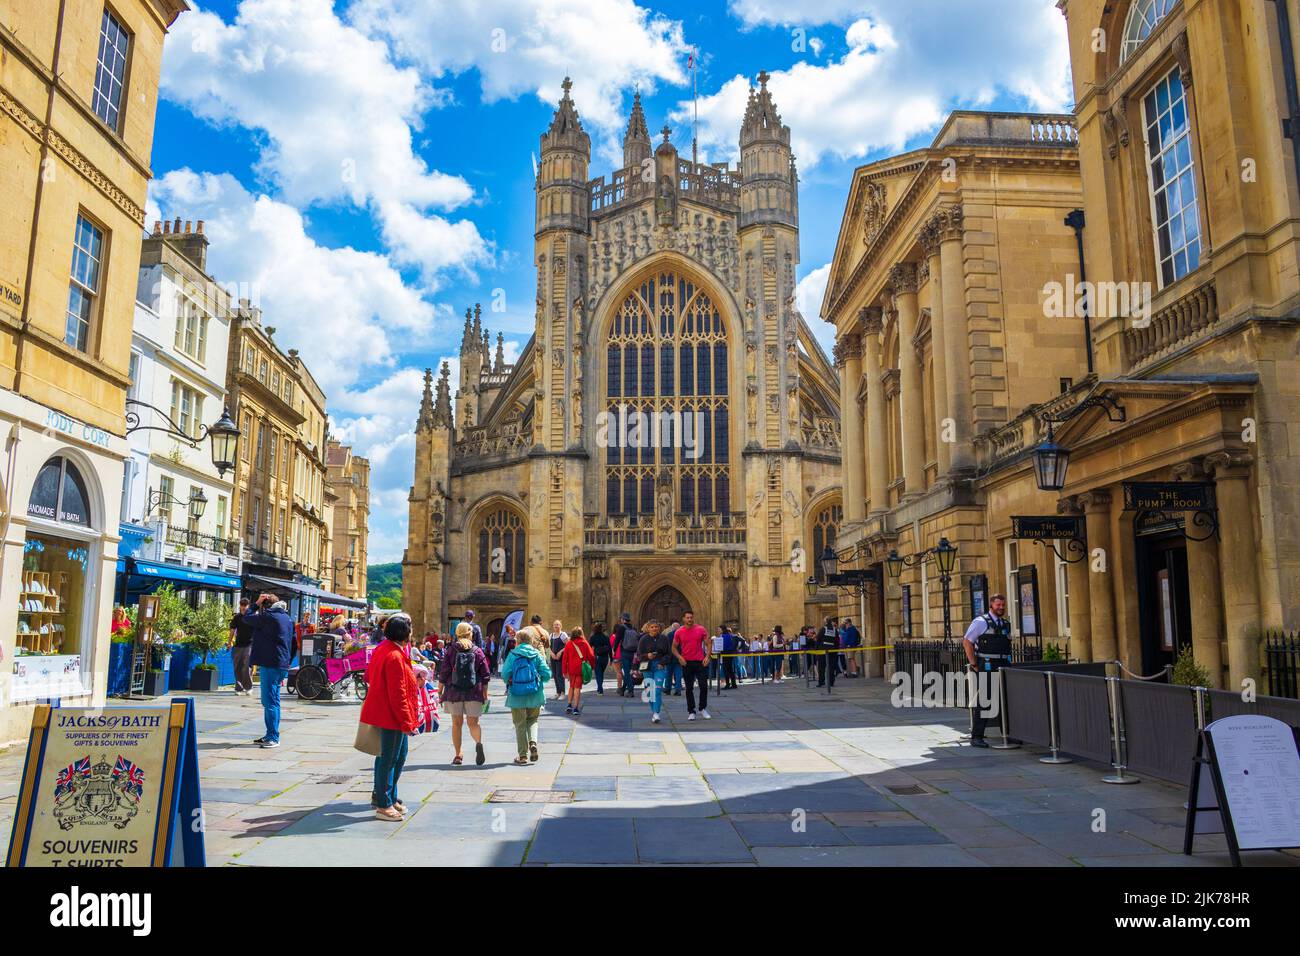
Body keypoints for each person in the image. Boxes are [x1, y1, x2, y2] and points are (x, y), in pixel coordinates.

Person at [360, 614, 420, 821]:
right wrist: (406, 722)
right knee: (389, 758)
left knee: (397, 757)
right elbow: (398, 693)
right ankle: (383, 804)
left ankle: (390, 797)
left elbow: (369, 677)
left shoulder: (385, 649)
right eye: (410, 629)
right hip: (391, 715)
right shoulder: (394, 655)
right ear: (404, 633)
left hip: (388, 712)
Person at [437, 621, 491, 765]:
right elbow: (485, 674)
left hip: (454, 691)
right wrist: (485, 693)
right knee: (473, 723)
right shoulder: (477, 650)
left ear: (457, 633)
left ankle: (458, 755)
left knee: (456, 724)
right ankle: (478, 743)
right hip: (474, 691)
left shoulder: (451, 649)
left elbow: (444, 671)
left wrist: (440, 689)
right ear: (470, 634)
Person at [962, 594, 1012, 748]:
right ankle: (976, 736)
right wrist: (974, 663)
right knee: (984, 700)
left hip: (1003, 664)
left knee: (1005, 699)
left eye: (1003, 605)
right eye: (998, 605)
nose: (1001, 607)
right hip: (987, 664)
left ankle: (1007, 734)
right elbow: (967, 642)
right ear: (991, 605)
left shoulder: (1005, 624)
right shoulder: (980, 622)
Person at [247, 593, 294, 748]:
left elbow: (246, 617)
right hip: (280, 663)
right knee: (273, 700)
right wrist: (287, 661)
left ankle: (273, 737)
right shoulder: (287, 618)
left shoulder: (268, 616)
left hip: (270, 663)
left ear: (265, 605)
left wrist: (256, 603)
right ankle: (270, 734)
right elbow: (293, 643)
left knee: (270, 701)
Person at [501, 629, 551, 765]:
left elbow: (505, 674)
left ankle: (522, 756)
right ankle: (533, 742)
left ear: (517, 641)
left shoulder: (513, 654)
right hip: (535, 694)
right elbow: (547, 674)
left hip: (516, 694)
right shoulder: (536, 654)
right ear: (531, 640)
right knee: (533, 720)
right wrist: (540, 680)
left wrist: (511, 681)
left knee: (520, 724)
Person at [672, 610, 711, 720]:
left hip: (700, 662)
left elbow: (708, 643)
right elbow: (673, 647)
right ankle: (691, 711)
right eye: (687, 618)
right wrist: (680, 657)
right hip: (686, 662)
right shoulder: (679, 632)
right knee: (689, 688)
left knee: (704, 686)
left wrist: (707, 656)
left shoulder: (700, 629)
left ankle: (702, 708)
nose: (689, 619)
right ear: (683, 619)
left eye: (691, 617)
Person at [636, 620, 673, 724]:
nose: (654, 629)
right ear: (648, 628)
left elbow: (668, 654)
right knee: (650, 692)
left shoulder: (664, 639)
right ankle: (654, 712)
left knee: (657, 690)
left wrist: (662, 662)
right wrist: (647, 656)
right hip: (647, 667)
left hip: (659, 666)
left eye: (656, 627)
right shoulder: (643, 639)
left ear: (659, 628)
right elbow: (639, 655)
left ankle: (656, 713)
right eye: (652, 627)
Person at [561, 626, 596, 716]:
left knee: (571, 686)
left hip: (571, 669)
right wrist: (591, 666)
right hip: (581, 669)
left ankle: (569, 704)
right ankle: (576, 708)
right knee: (577, 688)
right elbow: (591, 656)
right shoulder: (585, 643)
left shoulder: (569, 643)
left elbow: (565, 658)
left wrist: (564, 671)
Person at [228, 598, 255, 696]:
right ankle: (239, 687)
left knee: (246, 667)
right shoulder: (237, 617)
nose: (243, 607)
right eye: (242, 605)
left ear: (248, 606)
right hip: (238, 645)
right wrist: (229, 642)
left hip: (249, 644)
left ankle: (248, 687)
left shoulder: (252, 617)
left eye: (245, 605)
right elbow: (232, 630)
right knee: (237, 667)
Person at [613, 612, 637, 697]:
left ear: (623, 620)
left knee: (627, 672)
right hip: (633, 652)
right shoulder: (633, 628)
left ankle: (630, 691)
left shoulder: (621, 627)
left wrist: (614, 650)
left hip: (625, 651)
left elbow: (617, 639)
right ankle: (622, 689)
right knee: (629, 672)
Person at [548, 619, 569, 700]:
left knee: (560, 675)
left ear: (561, 626)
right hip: (553, 657)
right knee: (555, 675)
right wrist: (552, 653)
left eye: (557, 625)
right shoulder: (551, 635)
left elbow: (567, 645)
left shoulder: (563, 635)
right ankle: (558, 692)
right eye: (555, 625)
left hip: (561, 658)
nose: (556, 626)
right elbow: (548, 646)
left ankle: (563, 693)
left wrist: (560, 652)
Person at [589, 622, 611, 695]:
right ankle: (599, 687)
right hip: (605, 658)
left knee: (598, 674)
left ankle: (600, 689)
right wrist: (611, 658)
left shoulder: (593, 637)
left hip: (597, 657)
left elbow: (589, 647)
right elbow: (610, 648)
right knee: (601, 673)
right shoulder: (606, 637)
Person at [662, 619, 684, 696]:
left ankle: (668, 689)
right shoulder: (682, 634)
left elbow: (666, 646)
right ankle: (678, 689)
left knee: (668, 674)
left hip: (670, 657)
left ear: (672, 628)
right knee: (678, 674)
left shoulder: (669, 635)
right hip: (679, 657)